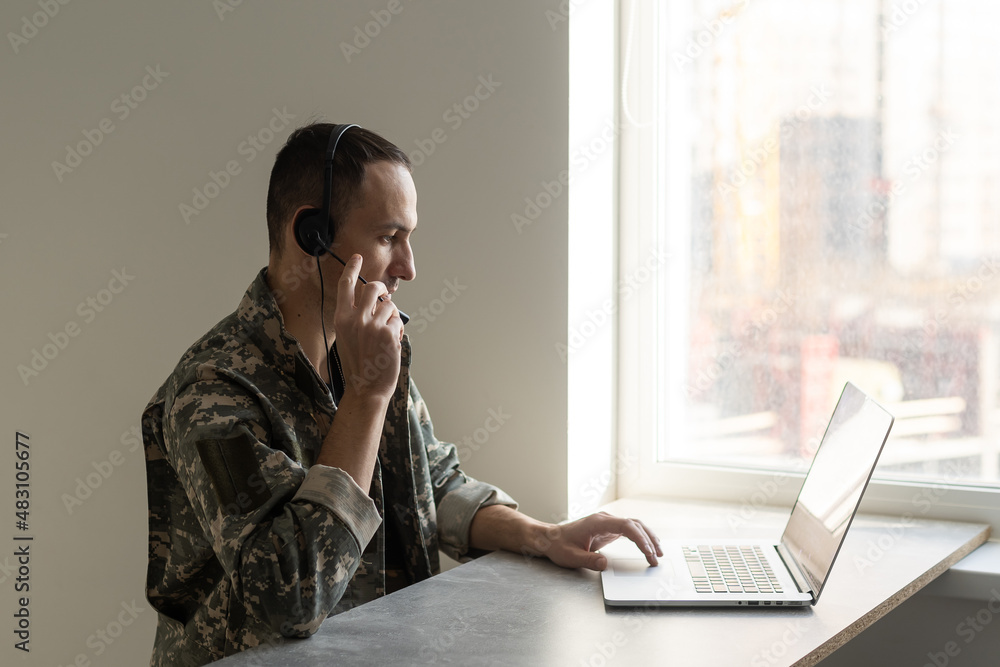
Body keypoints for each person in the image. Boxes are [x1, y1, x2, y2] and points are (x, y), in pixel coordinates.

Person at [141, 122, 662, 666]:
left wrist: (542, 536)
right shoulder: (213, 392)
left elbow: (429, 482)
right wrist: (366, 398)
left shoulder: (366, 349)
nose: (409, 268)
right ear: (311, 234)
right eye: (389, 238)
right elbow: (290, 597)